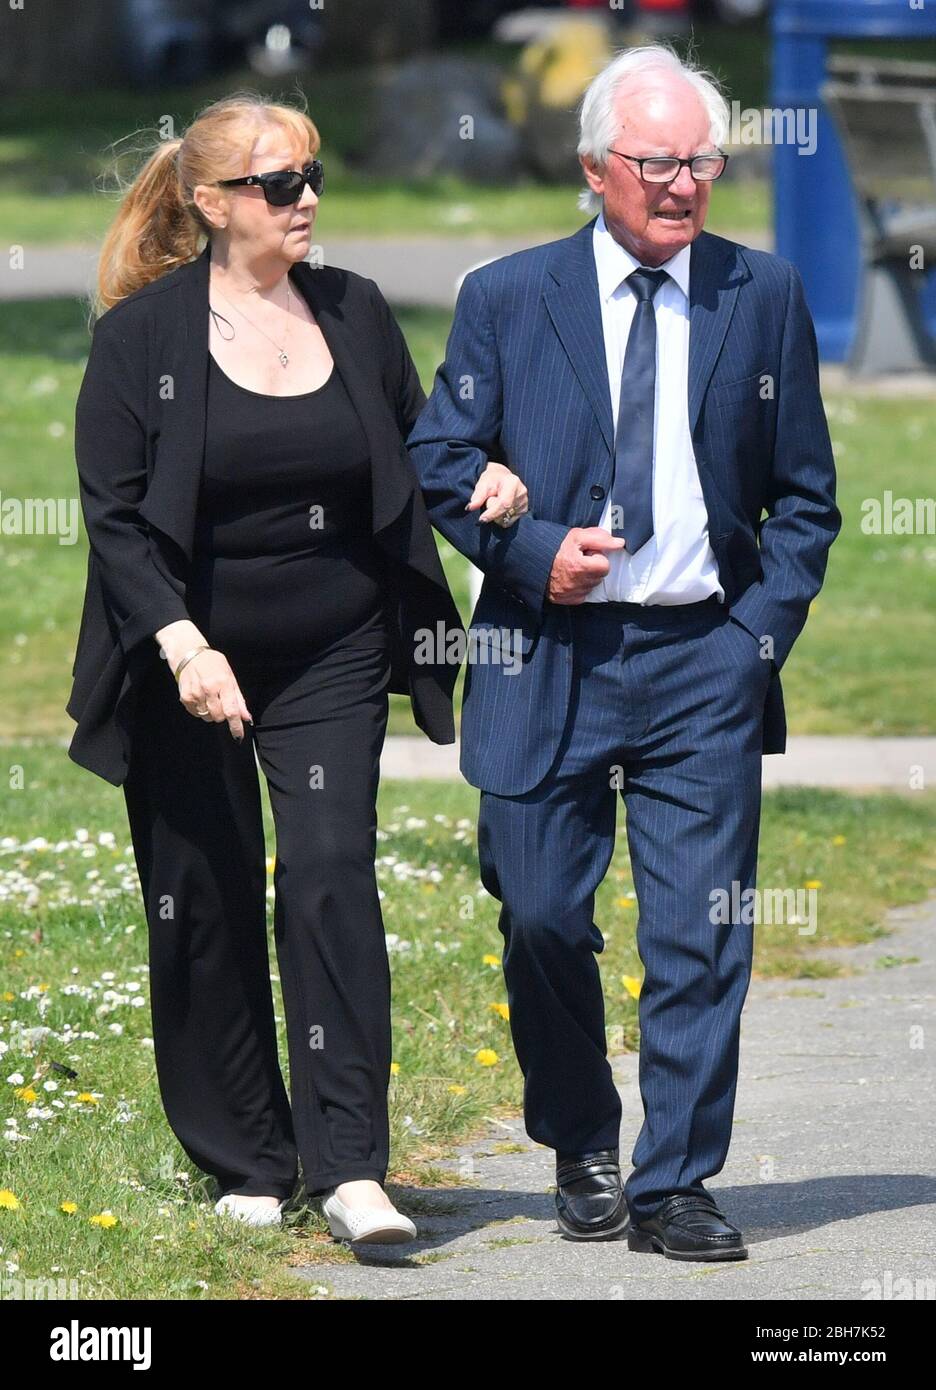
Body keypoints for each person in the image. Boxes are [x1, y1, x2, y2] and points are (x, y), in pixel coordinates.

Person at [66, 93, 526, 1241]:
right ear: (215, 204)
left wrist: (488, 485)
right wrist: (180, 645)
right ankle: (249, 1157)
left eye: (314, 175)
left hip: (333, 640)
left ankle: (351, 1163)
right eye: (280, 184)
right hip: (188, 649)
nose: (307, 198)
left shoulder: (355, 313)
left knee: (328, 869)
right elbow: (116, 521)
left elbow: (421, 452)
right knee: (204, 897)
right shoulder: (142, 339)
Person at [406, 45, 841, 1257]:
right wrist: (533, 547)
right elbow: (441, 458)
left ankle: (677, 1183)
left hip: (706, 654)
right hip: (546, 650)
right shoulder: (507, 296)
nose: (683, 183)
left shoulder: (765, 295)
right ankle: (581, 1136)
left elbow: (807, 498)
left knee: (702, 929)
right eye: (657, 162)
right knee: (542, 912)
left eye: (702, 161)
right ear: (597, 168)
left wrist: (760, 634)